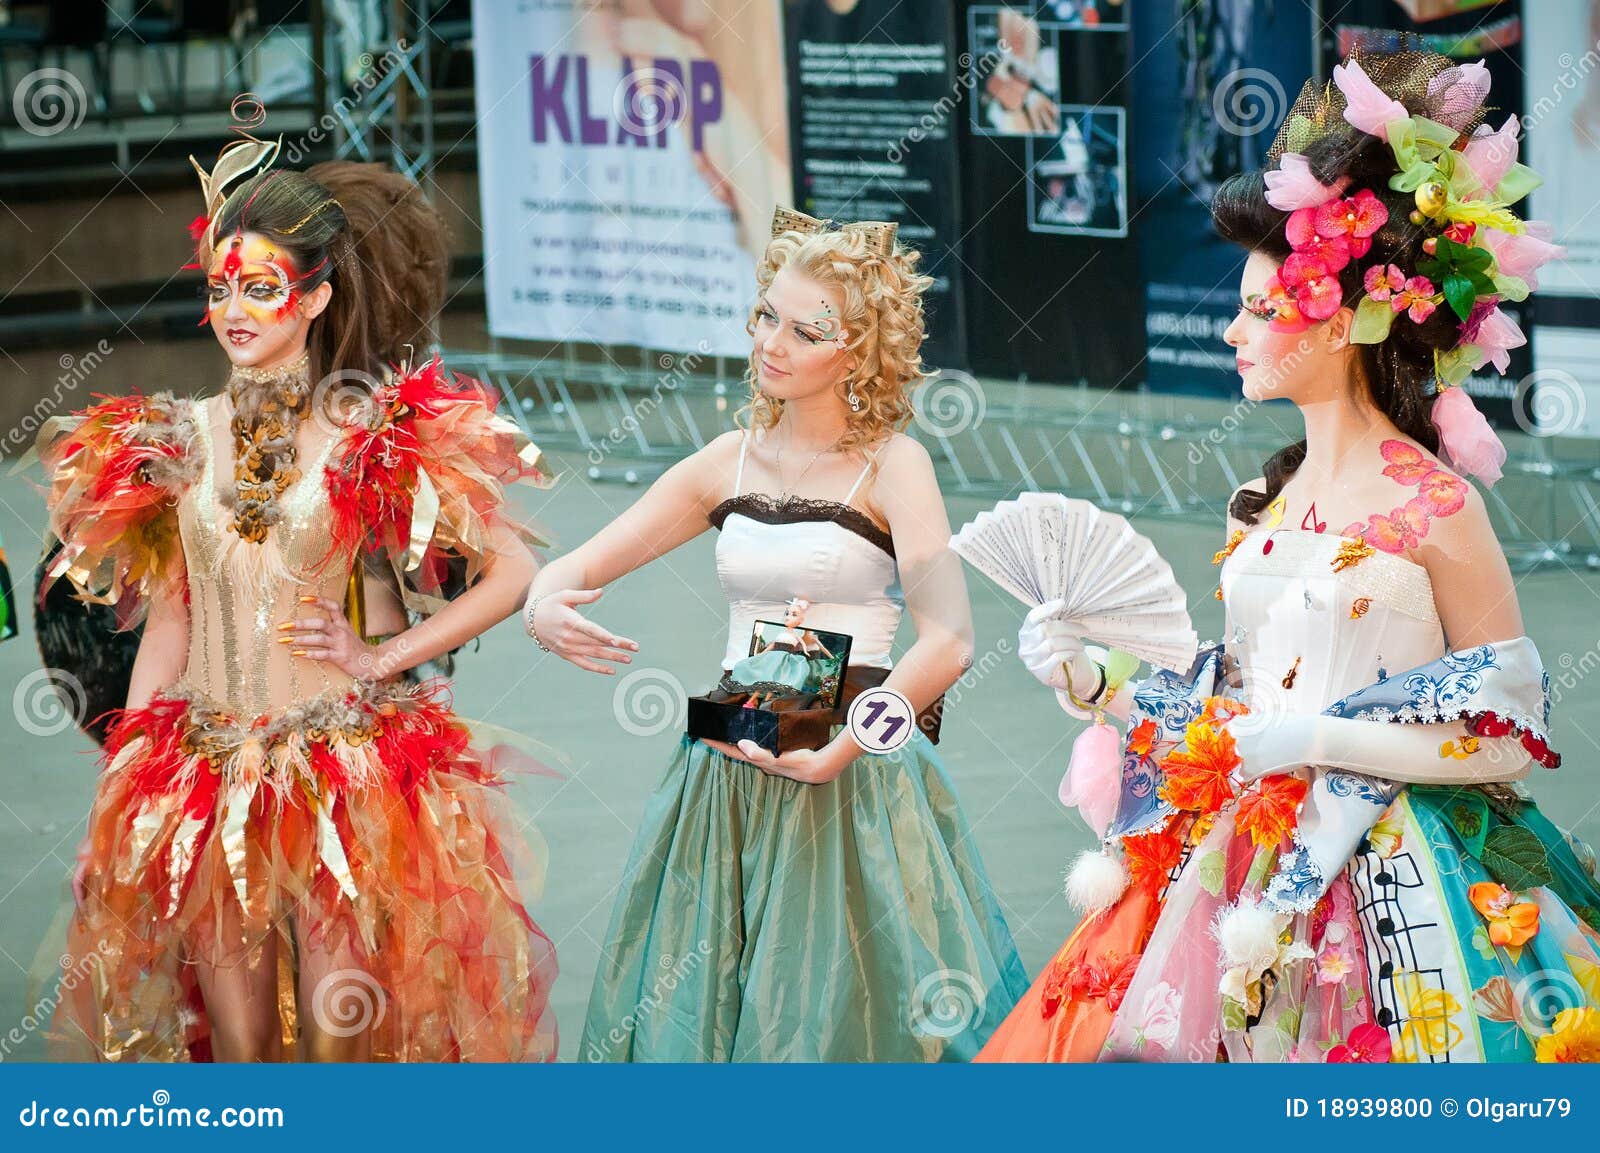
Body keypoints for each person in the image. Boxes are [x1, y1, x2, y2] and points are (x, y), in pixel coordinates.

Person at [980, 48, 1600, 1063]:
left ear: (1347, 323)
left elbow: (1504, 737)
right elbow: (1229, 704)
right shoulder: (1259, 500)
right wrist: (1097, 684)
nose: (1234, 331)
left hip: (1397, 862)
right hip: (1245, 845)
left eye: (1262, 310)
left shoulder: (1438, 505)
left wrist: (1316, 734)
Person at [37, 140, 558, 1062]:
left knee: (334, 1041)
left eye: (260, 288)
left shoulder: (373, 434)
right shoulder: (177, 439)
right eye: (219, 289)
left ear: (315, 298)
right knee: (237, 1047)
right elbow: (170, 623)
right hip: (204, 777)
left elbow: (512, 570)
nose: (233, 312)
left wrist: (380, 656)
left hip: (342, 777)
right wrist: (118, 799)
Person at [526, 207, 1028, 1061]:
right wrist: (544, 607)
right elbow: (570, 567)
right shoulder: (728, 458)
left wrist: (840, 752)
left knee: (844, 1014)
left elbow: (950, 642)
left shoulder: (896, 465)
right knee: (708, 1004)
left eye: (806, 331)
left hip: (856, 777)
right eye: (767, 316)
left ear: (858, 350)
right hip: (724, 772)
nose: (772, 343)